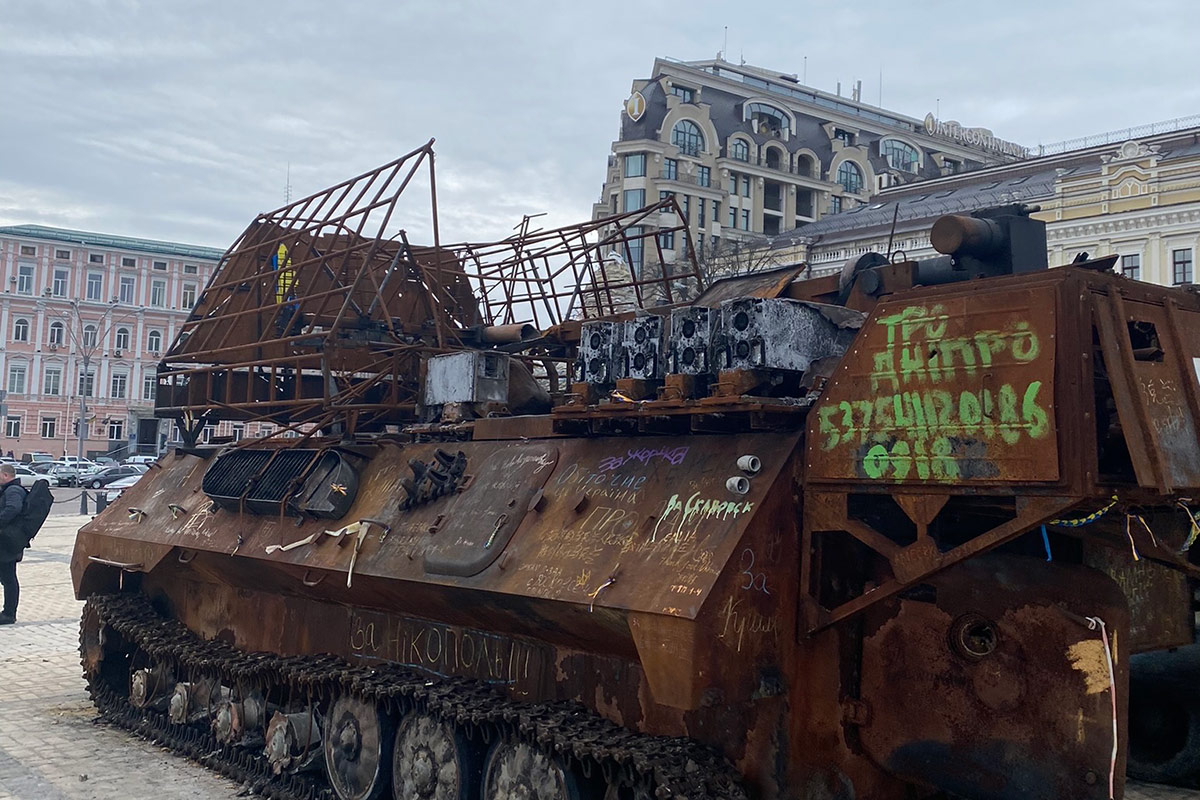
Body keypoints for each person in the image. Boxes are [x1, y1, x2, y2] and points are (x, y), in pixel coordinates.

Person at [0, 464, 27, 625]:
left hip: (7, 543)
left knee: (9, 578)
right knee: (7, 578)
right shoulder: (10, 489)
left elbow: (13, 508)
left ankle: (9, 613)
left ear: (5, 475)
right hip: (6, 541)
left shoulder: (13, 490)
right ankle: (8, 612)